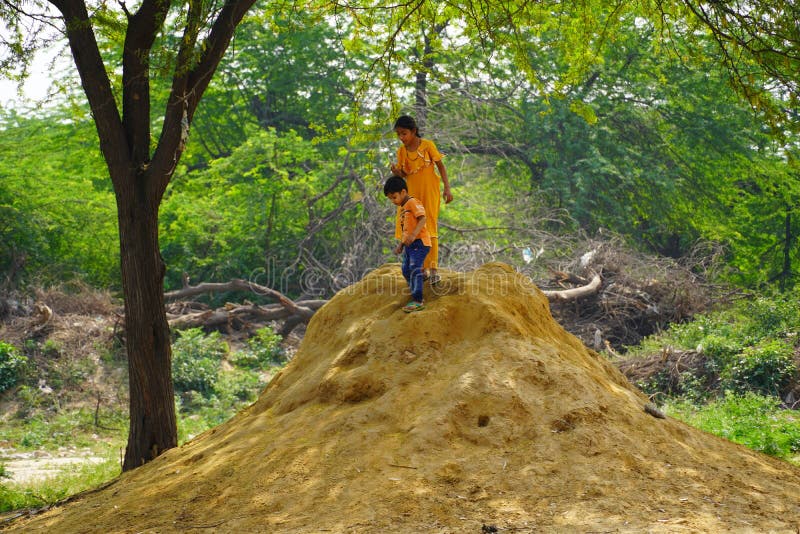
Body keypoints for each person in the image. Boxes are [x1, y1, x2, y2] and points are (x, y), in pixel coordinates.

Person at [390, 115, 452, 285]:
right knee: (411, 226)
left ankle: (433, 270)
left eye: (404, 134)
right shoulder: (401, 152)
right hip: (411, 194)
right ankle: (420, 269)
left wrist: (447, 188)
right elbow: (404, 173)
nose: (401, 138)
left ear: (414, 131)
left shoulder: (427, 146)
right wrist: (396, 173)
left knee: (429, 227)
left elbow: (441, 167)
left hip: (429, 192)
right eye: (399, 135)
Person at [384, 175, 431, 313]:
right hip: (410, 245)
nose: (393, 201)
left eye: (394, 197)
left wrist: (414, 235)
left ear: (403, 192)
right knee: (405, 269)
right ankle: (420, 280)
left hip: (420, 242)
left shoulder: (412, 202)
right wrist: (401, 245)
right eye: (390, 198)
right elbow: (406, 230)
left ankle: (418, 300)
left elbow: (422, 219)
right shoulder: (403, 208)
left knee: (414, 267)